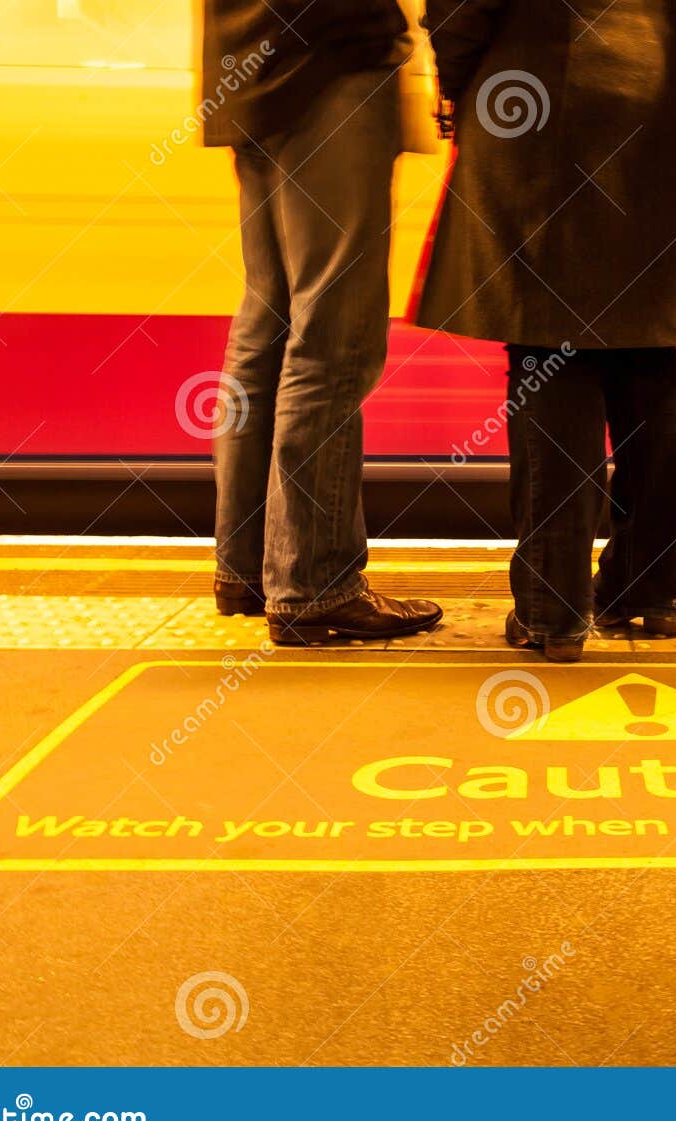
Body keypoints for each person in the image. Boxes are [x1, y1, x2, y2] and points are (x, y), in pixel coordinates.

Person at [415, 0, 676, 663]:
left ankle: (552, 608)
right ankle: (649, 591)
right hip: (675, 101)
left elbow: (460, 12)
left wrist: (462, 81)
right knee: (648, 336)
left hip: (543, 96)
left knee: (550, 341)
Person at [201, 0, 443, 645]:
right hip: (328, 67)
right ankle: (316, 584)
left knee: (268, 322)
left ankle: (248, 565)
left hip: (249, 69)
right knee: (334, 333)